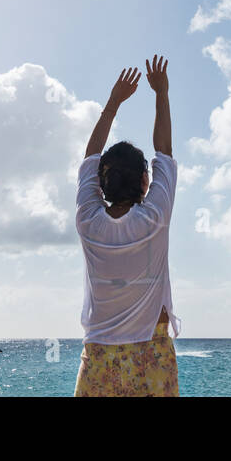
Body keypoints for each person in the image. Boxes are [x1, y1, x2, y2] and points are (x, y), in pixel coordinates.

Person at [73, 55, 180, 397]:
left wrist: (113, 103)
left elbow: (91, 156)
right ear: (145, 181)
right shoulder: (155, 218)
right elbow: (164, 151)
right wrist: (160, 93)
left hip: (100, 354)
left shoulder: (87, 220)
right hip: (152, 349)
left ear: (101, 184)